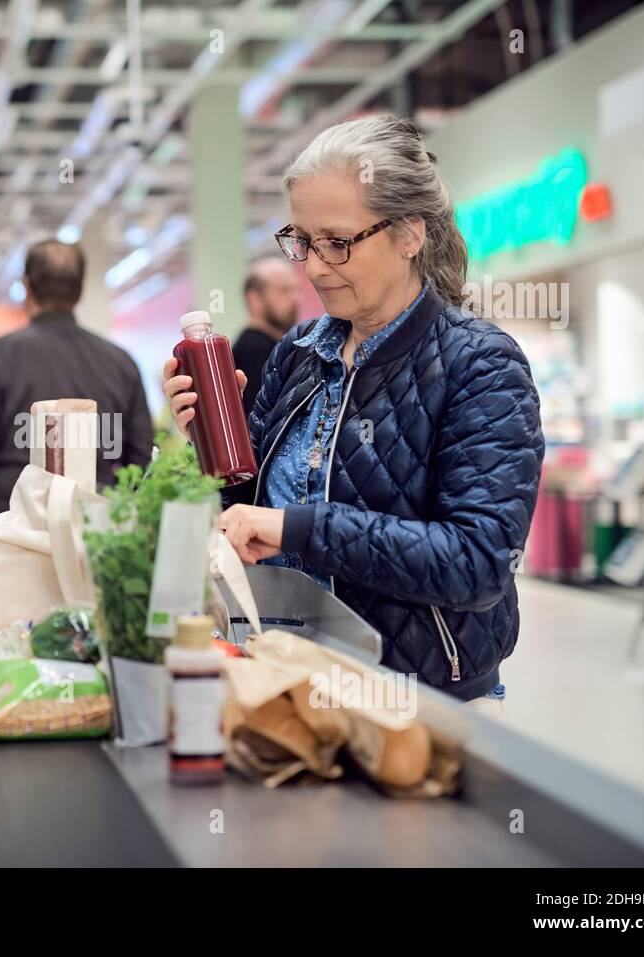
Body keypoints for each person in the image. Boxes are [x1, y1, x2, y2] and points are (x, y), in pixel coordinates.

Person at [162, 115, 545, 715]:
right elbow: (243, 511)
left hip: (417, 705)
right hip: (284, 679)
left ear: (410, 234)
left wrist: (303, 529)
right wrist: (207, 441)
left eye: (337, 243)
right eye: (301, 242)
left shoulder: (480, 364)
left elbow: (479, 562)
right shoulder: (299, 353)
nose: (312, 267)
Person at [0, 239, 153, 534]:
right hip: (98, 532)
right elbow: (142, 456)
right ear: (80, 290)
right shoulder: (121, 363)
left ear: (26, 287)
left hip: (13, 527)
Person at [233, 258, 301, 419]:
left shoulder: (278, 346)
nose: (295, 299)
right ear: (254, 299)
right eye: (284, 290)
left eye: (297, 289)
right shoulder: (254, 351)